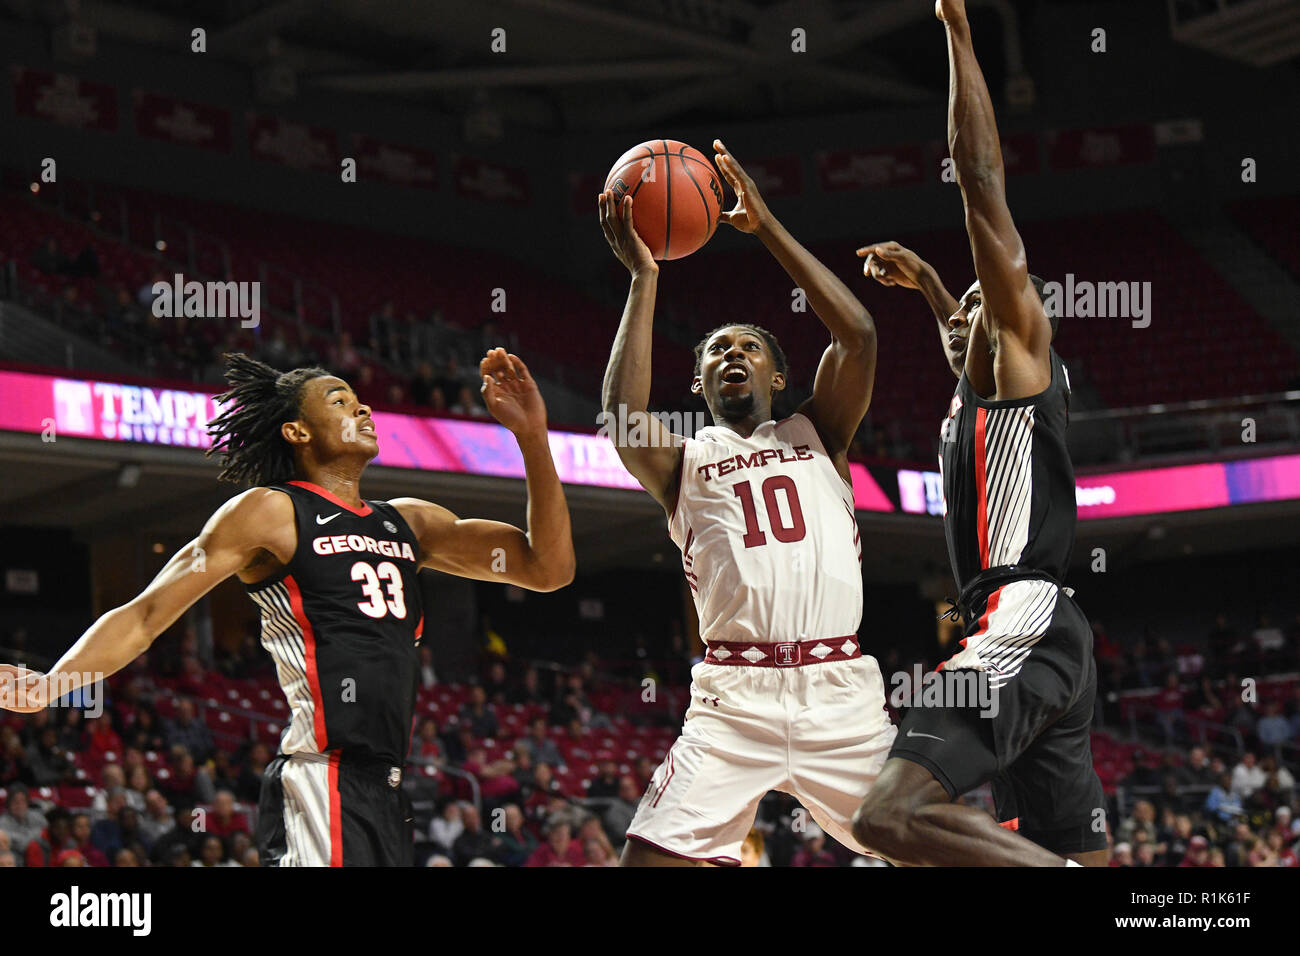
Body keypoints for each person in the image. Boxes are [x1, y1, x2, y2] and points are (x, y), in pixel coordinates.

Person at [0, 349, 574, 867]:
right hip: (320, 778)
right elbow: (146, 614)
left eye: (360, 398)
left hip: (387, 788)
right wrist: (53, 684)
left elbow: (546, 569)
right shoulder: (269, 513)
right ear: (297, 431)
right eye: (340, 399)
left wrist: (532, 437)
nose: (364, 407)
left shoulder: (412, 522)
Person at [851, 0, 1107, 866]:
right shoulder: (981, 391)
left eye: (977, 305)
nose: (962, 318)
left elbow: (980, 183)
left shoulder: (1022, 358)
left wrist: (957, 30)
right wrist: (929, 285)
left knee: (887, 819)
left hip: (1019, 613)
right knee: (1063, 846)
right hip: (1038, 629)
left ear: (1008, 322)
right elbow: (959, 338)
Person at [599, 135, 895, 867]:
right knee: (648, 861)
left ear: (780, 372)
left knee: (933, 847)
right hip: (734, 695)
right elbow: (620, 415)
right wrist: (644, 276)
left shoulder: (820, 430)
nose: (731, 354)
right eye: (715, 352)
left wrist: (766, 228)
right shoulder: (685, 460)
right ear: (698, 386)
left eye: (749, 347)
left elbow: (857, 336)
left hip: (839, 692)